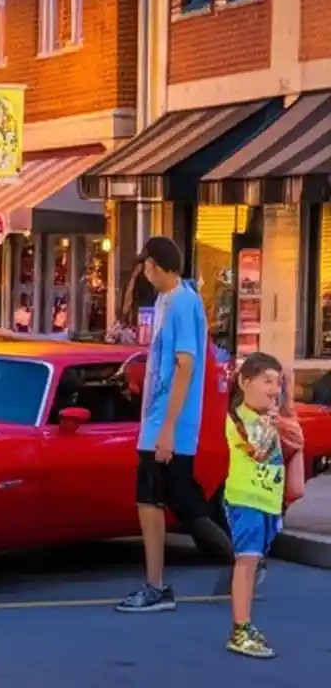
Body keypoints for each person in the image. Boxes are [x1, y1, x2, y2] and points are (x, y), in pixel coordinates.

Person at [116, 236, 224, 613]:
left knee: (151, 499)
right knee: (178, 498)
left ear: (157, 266)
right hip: (161, 416)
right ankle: (241, 560)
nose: (145, 272)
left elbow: (186, 364)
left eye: (147, 266)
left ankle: (156, 585)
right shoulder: (171, 300)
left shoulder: (180, 303)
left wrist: (166, 428)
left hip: (167, 420)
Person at [221, 352, 285, 659]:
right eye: (267, 381)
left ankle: (245, 625)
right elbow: (258, 450)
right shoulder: (240, 418)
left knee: (254, 561)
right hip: (245, 499)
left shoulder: (268, 417)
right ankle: (240, 629)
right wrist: (274, 423)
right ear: (245, 382)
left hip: (267, 500)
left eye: (279, 382)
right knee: (246, 563)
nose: (274, 389)